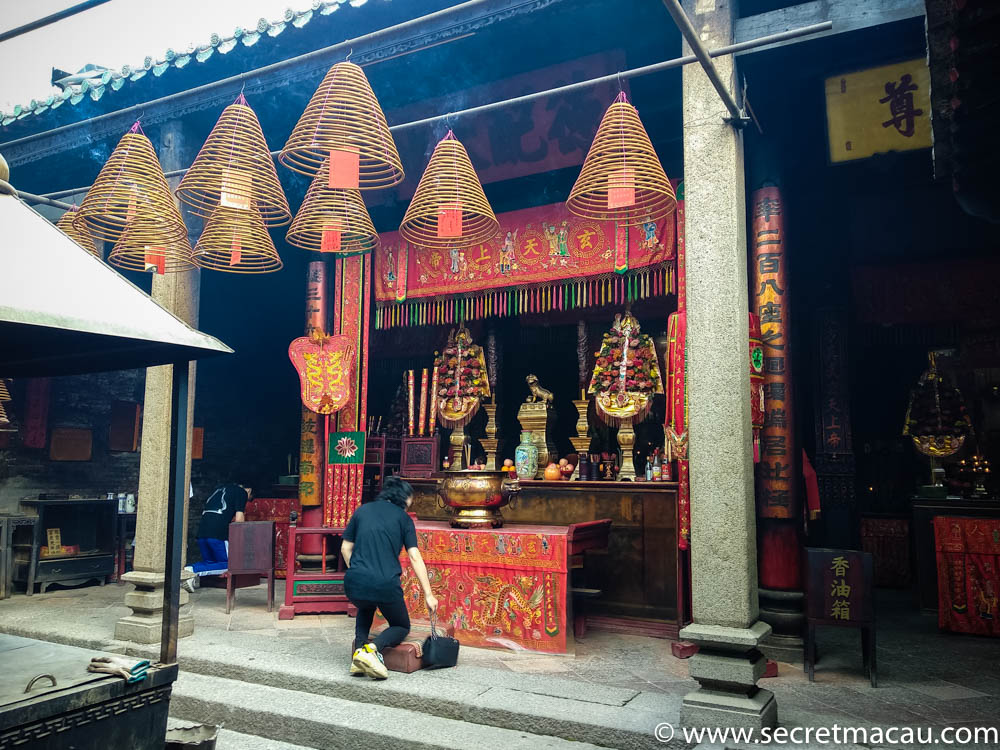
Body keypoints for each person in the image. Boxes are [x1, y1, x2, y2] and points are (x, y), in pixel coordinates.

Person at [341, 476, 438, 680]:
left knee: (365, 607)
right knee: (401, 625)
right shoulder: (403, 519)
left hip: (353, 581)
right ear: (404, 497)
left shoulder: (362, 510)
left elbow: (345, 548)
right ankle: (370, 650)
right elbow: (414, 556)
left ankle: (358, 656)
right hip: (384, 583)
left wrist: (359, 571)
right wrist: (429, 594)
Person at [182, 482, 252, 592]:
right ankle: (191, 570)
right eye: (249, 498)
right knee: (229, 566)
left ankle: (187, 573)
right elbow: (239, 520)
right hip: (218, 534)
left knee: (210, 563)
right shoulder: (242, 492)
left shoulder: (218, 490)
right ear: (249, 490)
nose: (247, 500)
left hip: (202, 533)